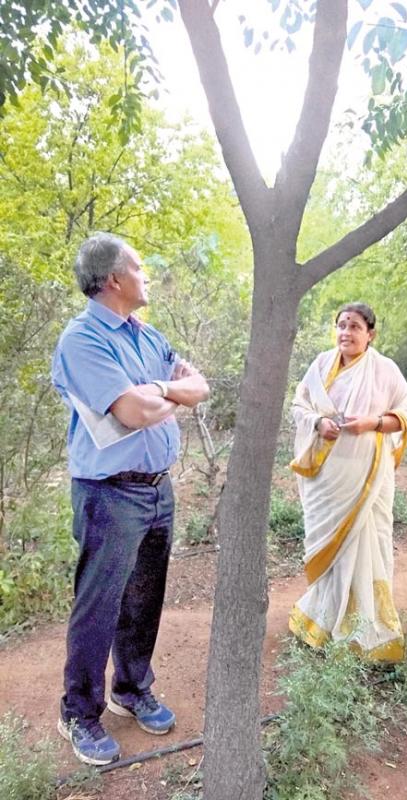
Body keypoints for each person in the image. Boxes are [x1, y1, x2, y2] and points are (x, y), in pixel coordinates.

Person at [52, 233, 209, 765]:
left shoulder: (148, 335)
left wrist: (158, 393)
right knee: (99, 605)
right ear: (115, 279)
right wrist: (168, 395)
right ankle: (79, 712)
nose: (147, 276)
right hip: (108, 494)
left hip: (157, 488)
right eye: (139, 267)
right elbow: (133, 413)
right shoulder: (83, 340)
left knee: (144, 598)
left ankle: (131, 689)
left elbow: (198, 385)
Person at [288, 303, 407, 662]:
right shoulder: (320, 365)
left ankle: (364, 627)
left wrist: (373, 424)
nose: (346, 332)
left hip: (367, 475)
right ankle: (323, 619)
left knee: (365, 543)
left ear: (370, 334)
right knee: (331, 547)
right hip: (328, 478)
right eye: (341, 325)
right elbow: (298, 406)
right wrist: (317, 423)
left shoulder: (385, 371)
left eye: (355, 326)